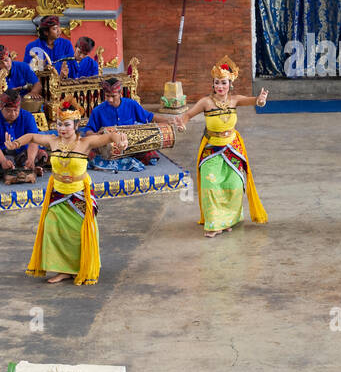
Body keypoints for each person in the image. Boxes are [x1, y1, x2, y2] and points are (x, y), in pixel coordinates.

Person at [7, 98, 129, 284]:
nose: (62, 129)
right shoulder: (53, 141)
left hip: (78, 194)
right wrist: (15, 144)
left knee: (81, 232)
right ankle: (64, 269)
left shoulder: (85, 142)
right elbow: (32, 136)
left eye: (66, 125)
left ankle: (79, 267)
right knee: (52, 227)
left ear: (76, 125)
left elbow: (108, 136)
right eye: (59, 124)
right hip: (58, 194)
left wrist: (119, 139)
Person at [175, 58, 268, 237]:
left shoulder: (235, 100)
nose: (220, 86)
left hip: (232, 147)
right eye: (217, 83)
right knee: (210, 185)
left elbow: (254, 101)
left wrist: (261, 100)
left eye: (223, 83)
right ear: (213, 84)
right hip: (211, 149)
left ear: (230, 84)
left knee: (234, 184)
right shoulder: (206, 102)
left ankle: (227, 221)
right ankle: (214, 224)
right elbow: (187, 115)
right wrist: (182, 124)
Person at [83, 76, 185, 169]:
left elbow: (149, 117)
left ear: (120, 94)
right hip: (110, 147)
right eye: (107, 96)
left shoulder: (131, 104)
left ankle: (121, 161)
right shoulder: (98, 111)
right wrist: (97, 135)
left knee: (151, 156)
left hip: (131, 145)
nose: (110, 99)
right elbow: (88, 130)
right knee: (90, 154)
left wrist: (168, 120)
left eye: (113, 96)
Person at [0, 89, 46, 179]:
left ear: (20, 107)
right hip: (2, 154)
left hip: (23, 153)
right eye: (8, 111)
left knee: (42, 154)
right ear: (1, 107)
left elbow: (33, 140)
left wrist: (30, 159)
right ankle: (24, 170)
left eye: (15, 110)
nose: (13, 114)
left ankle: (24, 168)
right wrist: (3, 161)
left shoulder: (28, 117)